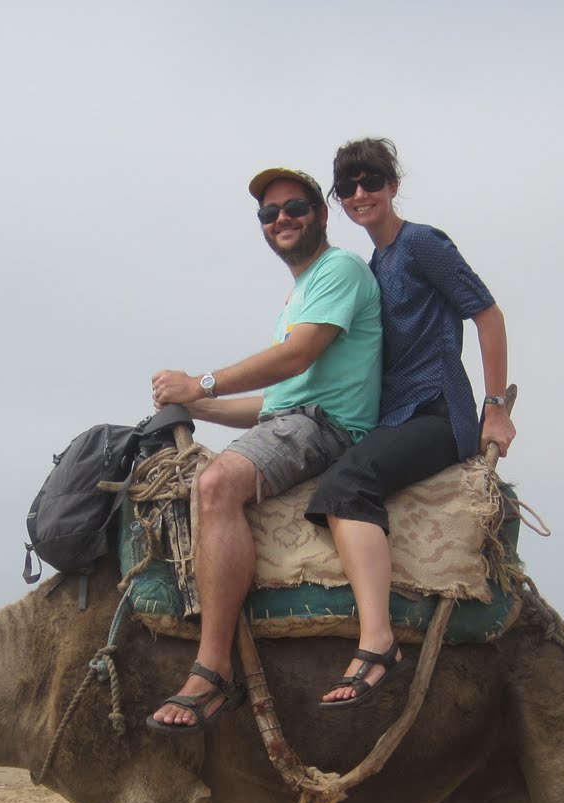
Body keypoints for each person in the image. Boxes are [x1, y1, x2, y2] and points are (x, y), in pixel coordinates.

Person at [146, 167, 383, 732]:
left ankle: (212, 669)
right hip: (295, 420)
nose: (281, 219)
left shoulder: (340, 269)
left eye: (294, 207)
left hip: (325, 427)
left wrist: (200, 384)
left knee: (216, 484)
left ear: (320, 214)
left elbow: (295, 359)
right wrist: (194, 408)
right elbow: (275, 404)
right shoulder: (300, 294)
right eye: (269, 213)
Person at [308, 137, 512, 707]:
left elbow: (487, 314)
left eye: (371, 181)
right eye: (347, 187)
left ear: (393, 185)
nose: (360, 193)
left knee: (346, 486)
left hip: (438, 408)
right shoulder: (374, 266)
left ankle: (378, 642)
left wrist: (496, 407)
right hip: (397, 415)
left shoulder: (422, 243)